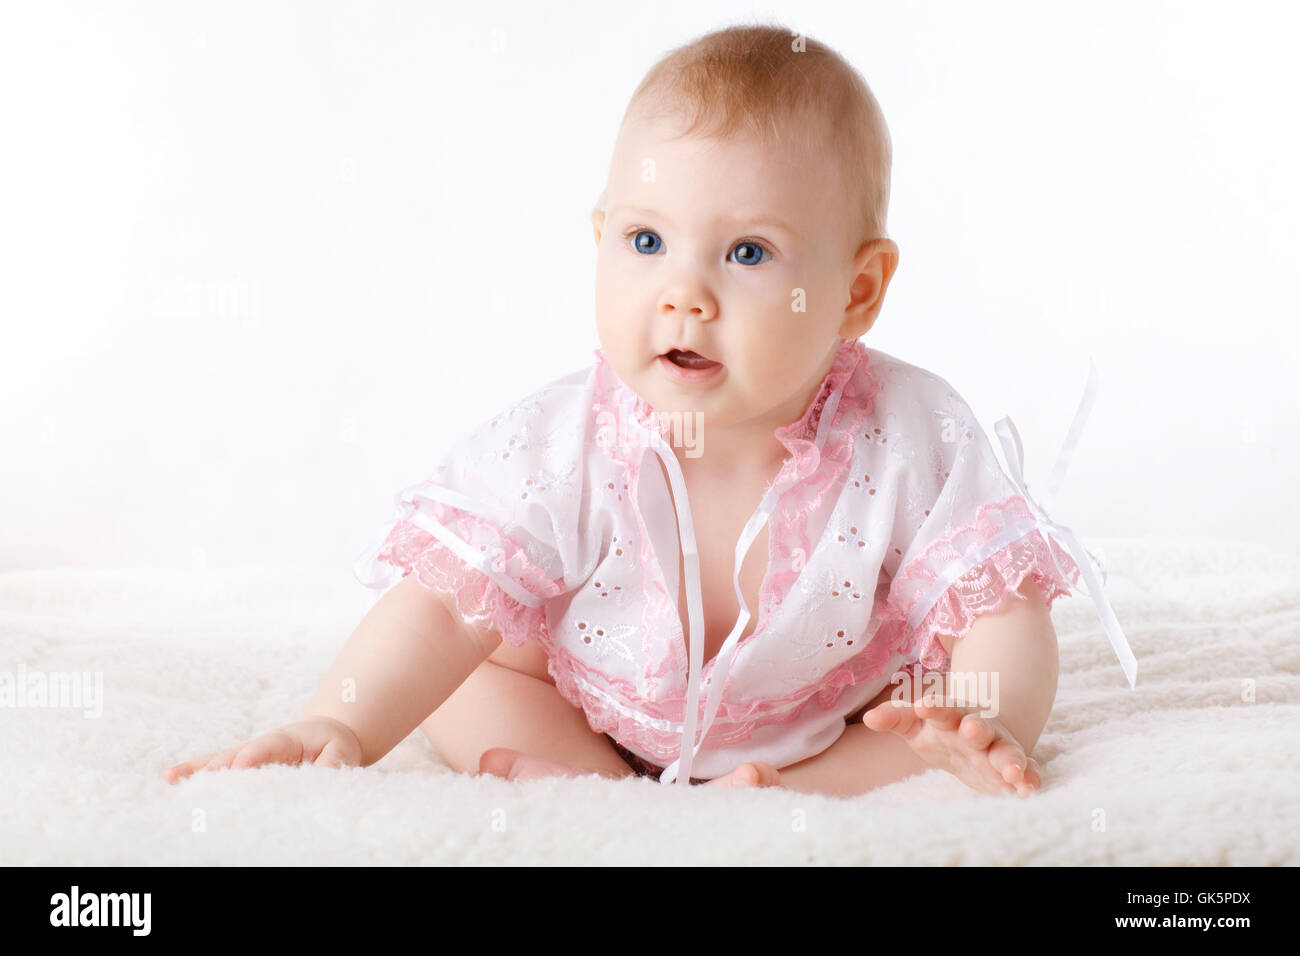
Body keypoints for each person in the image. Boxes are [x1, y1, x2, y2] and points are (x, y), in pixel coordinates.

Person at [163, 23, 1135, 797]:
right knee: (466, 676)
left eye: (746, 252)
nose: (684, 293)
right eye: (644, 240)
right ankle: (586, 782)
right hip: (592, 699)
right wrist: (339, 719)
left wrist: (986, 707)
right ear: (597, 239)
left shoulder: (911, 431)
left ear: (855, 290)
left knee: (924, 731)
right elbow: (439, 605)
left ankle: (789, 788)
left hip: (829, 708)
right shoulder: (560, 442)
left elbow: (1000, 605)